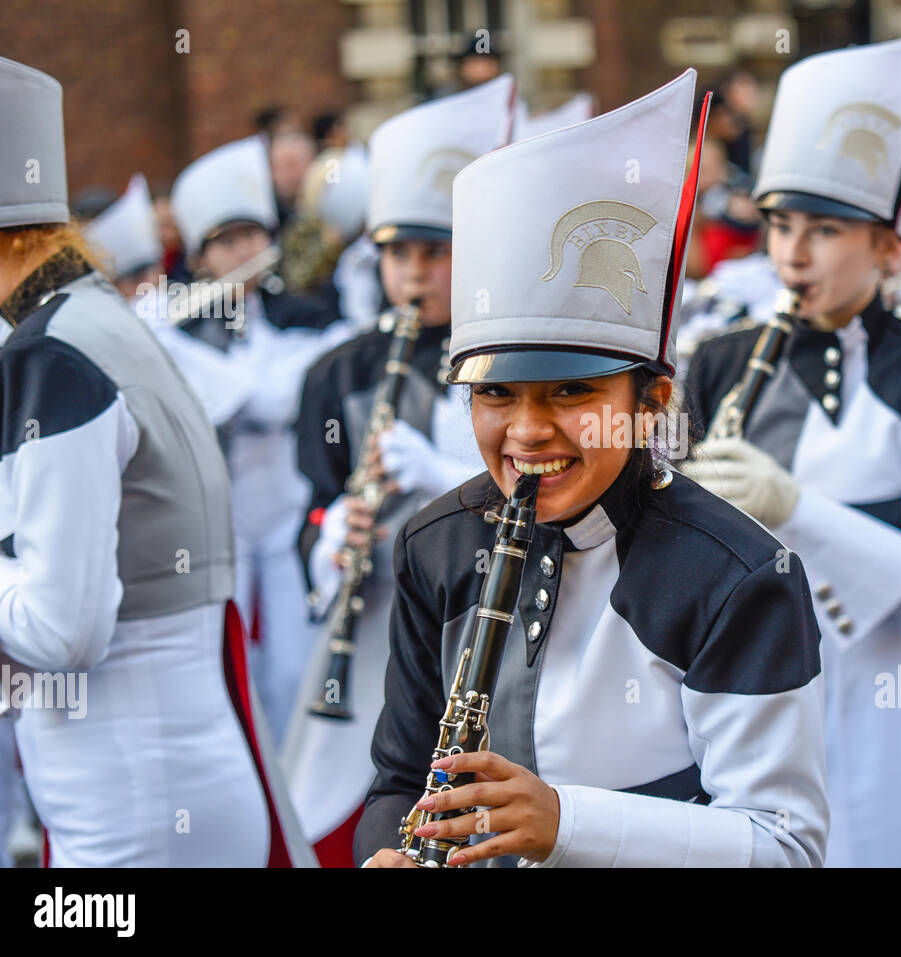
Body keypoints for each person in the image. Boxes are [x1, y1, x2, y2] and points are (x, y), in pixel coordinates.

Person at [354, 70, 829, 868]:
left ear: (653, 400)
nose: (529, 432)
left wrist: (565, 822)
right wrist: (384, 854)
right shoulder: (433, 545)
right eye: (496, 394)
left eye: (573, 391)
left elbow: (785, 846)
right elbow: (399, 780)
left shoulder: (740, 575)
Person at [680, 25, 901, 868]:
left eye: (825, 229)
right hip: (741, 711)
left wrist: (794, 508)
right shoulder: (719, 359)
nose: (791, 253)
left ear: (889, 245)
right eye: (781, 225)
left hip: (886, 723)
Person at [0, 52, 274, 865]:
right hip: (153, 788)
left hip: (134, 808)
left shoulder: (48, 354)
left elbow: (60, 626)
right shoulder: (86, 316)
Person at [284, 76, 513, 866]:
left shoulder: (510, 363)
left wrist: (443, 467)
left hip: (489, 620)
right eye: (396, 253)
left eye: (435, 251)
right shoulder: (339, 371)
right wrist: (330, 541)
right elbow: (311, 510)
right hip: (377, 626)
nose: (413, 272)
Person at [169, 136, 354, 744]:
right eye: (226, 241)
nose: (243, 250)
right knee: (223, 669)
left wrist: (171, 345)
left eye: (251, 235)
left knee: (290, 672)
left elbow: (266, 399)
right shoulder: (187, 328)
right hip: (218, 525)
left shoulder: (304, 313)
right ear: (202, 257)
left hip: (288, 517)